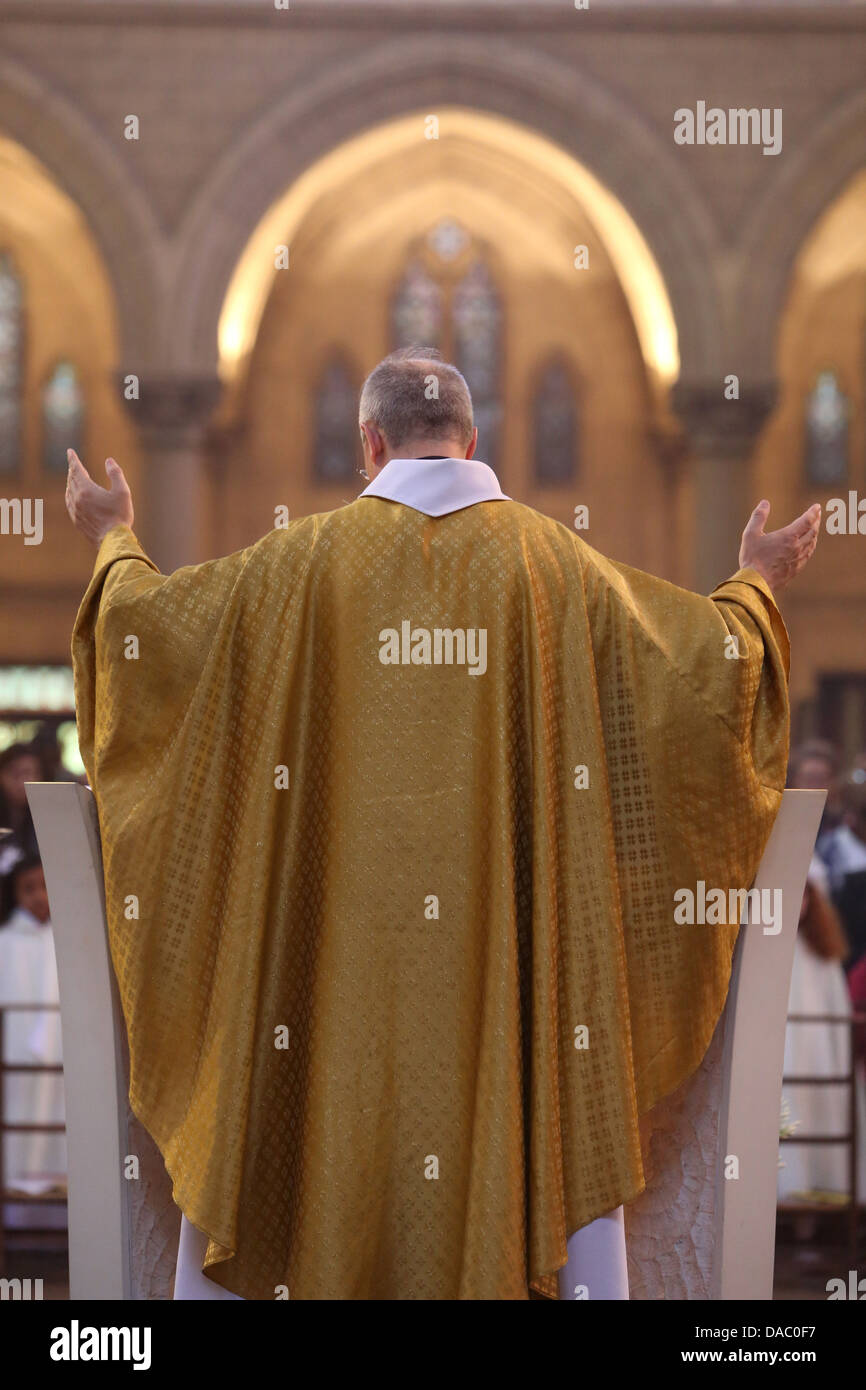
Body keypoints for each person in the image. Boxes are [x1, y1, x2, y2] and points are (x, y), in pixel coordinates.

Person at [66, 346, 820, 1301]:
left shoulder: (294, 564)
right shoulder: (554, 566)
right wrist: (755, 587)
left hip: (324, 983)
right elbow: (701, 677)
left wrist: (115, 540)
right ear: (474, 438)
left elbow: (151, 642)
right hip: (508, 991)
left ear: (368, 442)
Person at [0, 854, 66, 1192]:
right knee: (18, 1112)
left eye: (45, 886)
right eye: (29, 888)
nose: (39, 896)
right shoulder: (6, 941)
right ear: (15, 893)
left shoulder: (66, 941)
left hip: (58, 1047)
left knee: (58, 1111)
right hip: (17, 1047)